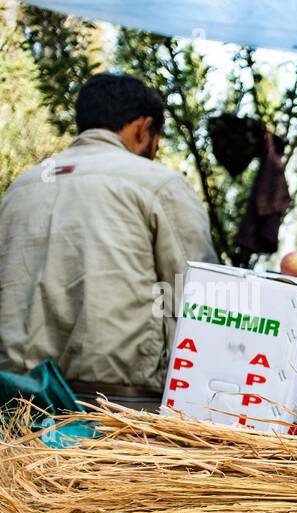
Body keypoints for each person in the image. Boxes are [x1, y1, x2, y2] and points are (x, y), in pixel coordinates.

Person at [0, 72, 216, 411]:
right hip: (118, 409)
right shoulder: (158, 184)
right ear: (143, 129)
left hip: (19, 405)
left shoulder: (20, 188)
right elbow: (198, 299)